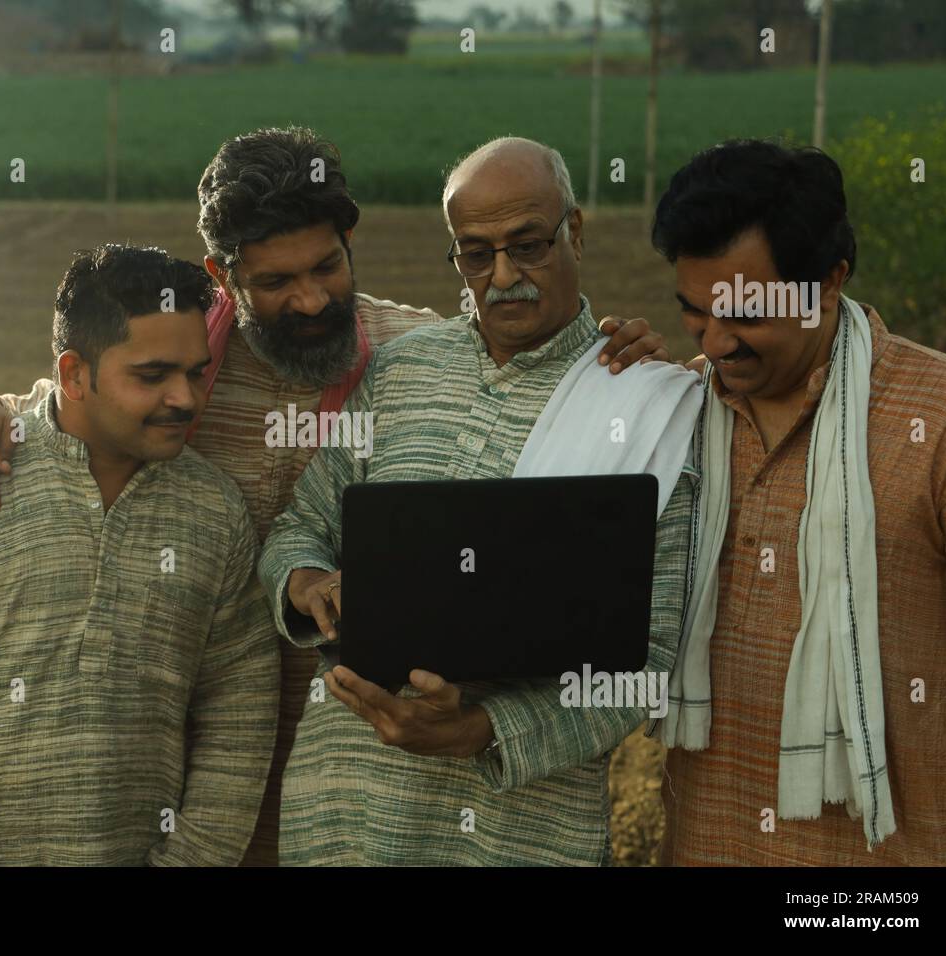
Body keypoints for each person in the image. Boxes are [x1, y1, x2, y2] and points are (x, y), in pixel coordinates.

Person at [0, 128, 668, 865]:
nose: (309, 301)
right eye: (275, 282)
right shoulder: (180, 368)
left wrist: (625, 364)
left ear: (351, 245)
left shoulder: (404, 356)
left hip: (377, 772)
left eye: (325, 268)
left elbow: (526, 359)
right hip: (192, 772)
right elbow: (84, 403)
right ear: (219, 276)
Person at [257, 137, 702, 865]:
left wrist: (477, 729)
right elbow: (303, 522)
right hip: (343, 814)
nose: (503, 276)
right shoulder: (402, 369)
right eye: (474, 253)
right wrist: (309, 583)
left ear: (576, 233)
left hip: (520, 833)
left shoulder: (647, 408)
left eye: (527, 245)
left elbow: (643, 664)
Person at [0, 244, 279, 865]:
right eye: (152, 376)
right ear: (74, 374)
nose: (185, 398)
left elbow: (240, 715)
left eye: (195, 372)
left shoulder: (216, 512)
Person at [656, 140, 946, 865]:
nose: (717, 341)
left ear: (828, 283)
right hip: (708, 845)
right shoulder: (671, 418)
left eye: (745, 314)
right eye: (695, 314)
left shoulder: (945, 422)